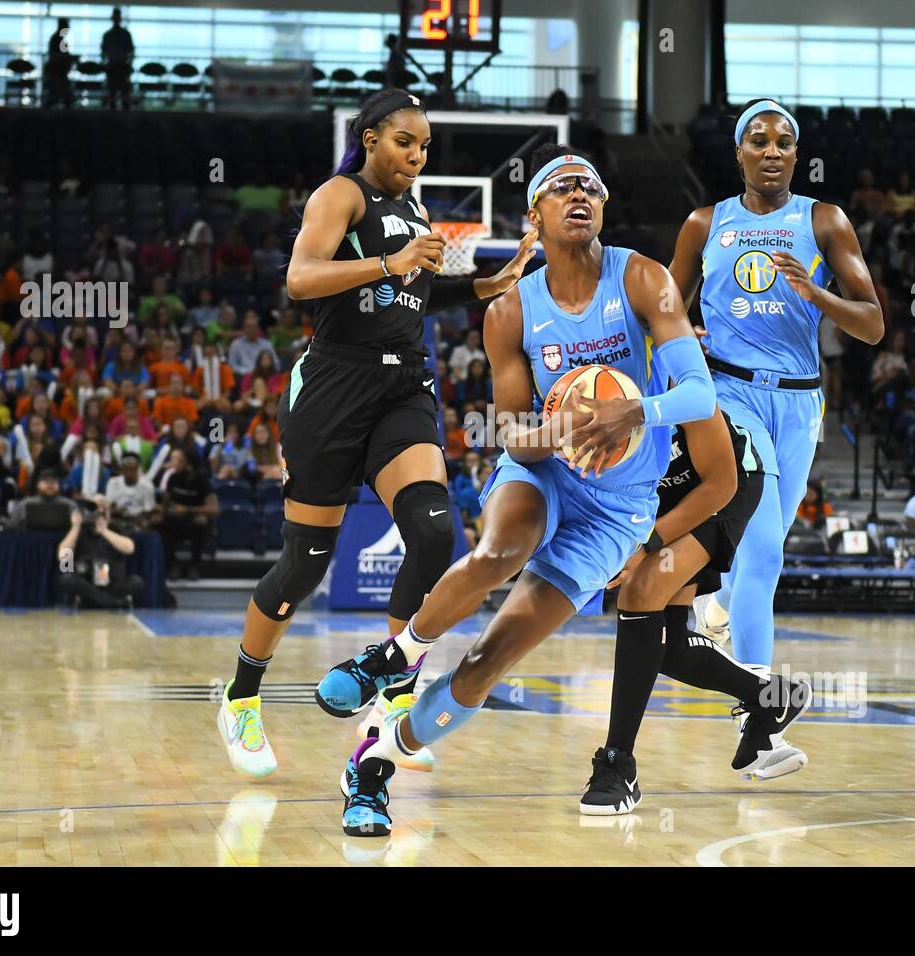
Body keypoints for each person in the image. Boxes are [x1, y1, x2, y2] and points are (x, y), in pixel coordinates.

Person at [315, 143, 777, 838]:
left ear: (604, 205)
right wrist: (561, 431)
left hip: (619, 506)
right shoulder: (510, 311)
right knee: (501, 549)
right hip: (543, 470)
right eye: (561, 188)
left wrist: (630, 412)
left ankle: (375, 763)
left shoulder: (644, 280)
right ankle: (398, 654)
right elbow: (512, 435)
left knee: (485, 664)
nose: (578, 194)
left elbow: (696, 392)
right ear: (535, 213)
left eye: (589, 185)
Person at [211, 89, 536, 780]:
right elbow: (301, 279)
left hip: (402, 387)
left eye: (424, 147)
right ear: (369, 137)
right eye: (404, 143)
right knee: (304, 563)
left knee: (432, 532)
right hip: (333, 388)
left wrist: (489, 284)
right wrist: (391, 264)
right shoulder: (341, 194)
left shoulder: (414, 209)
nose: (416, 156)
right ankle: (240, 698)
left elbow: (418, 295)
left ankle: (393, 698)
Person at [669, 97, 883, 679]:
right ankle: (757, 711)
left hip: (801, 401)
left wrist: (820, 296)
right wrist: (681, 335)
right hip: (731, 397)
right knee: (764, 551)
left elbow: (872, 324)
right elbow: (661, 313)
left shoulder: (824, 220)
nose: (771, 151)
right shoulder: (704, 224)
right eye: (758, 141)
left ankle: (714, 608)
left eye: (783, 143)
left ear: (796, 155)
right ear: (738, 152)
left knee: (761, 544)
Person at [583, 407, 807, 814]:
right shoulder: (573, 401)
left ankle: (618, 764)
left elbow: (717, 479)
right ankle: (773, 697)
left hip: (723, 479)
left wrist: (646, 544)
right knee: (668, 644)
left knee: (641, 591)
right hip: (664, 491)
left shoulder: (668, 366)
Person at [58, 503, 143, 609]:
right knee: (66, 579)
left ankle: (100, 600)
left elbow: (129, 549)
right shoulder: (79, 530)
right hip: (87, 584)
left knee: (136, 581)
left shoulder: (115, 528)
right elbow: (63, 558)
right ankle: (110, 602)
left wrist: (104, 531)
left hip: (113, 584)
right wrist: (75, 527)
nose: (98, 515)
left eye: (103, 511)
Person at [158, 448, 219, 581]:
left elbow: (214, 509)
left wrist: (188, 510)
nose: (174, 464)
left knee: (201, 521)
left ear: (189, 466)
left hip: (193, 518)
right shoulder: (173, 478)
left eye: (179, 461)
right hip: (177, 519)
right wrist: (160, 513)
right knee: (162, 523)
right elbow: (165, 503)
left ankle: (194, 566)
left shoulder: (202, 481)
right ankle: (173, 565)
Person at [100, 6, 135, 111]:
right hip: (118, 66)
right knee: (117, 91)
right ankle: (119, 107)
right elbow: (131, 51)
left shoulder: (110, 35)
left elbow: (104, 52)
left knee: (116, 91)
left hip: (117, 66)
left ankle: (117, 108)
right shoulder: (123, 34)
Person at [43, 18, 76, 109]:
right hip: (57, 70)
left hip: (57, 70)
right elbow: (59, 55)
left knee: (56, 95)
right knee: (61, 94)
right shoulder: (58, 39)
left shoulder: (57, 39)